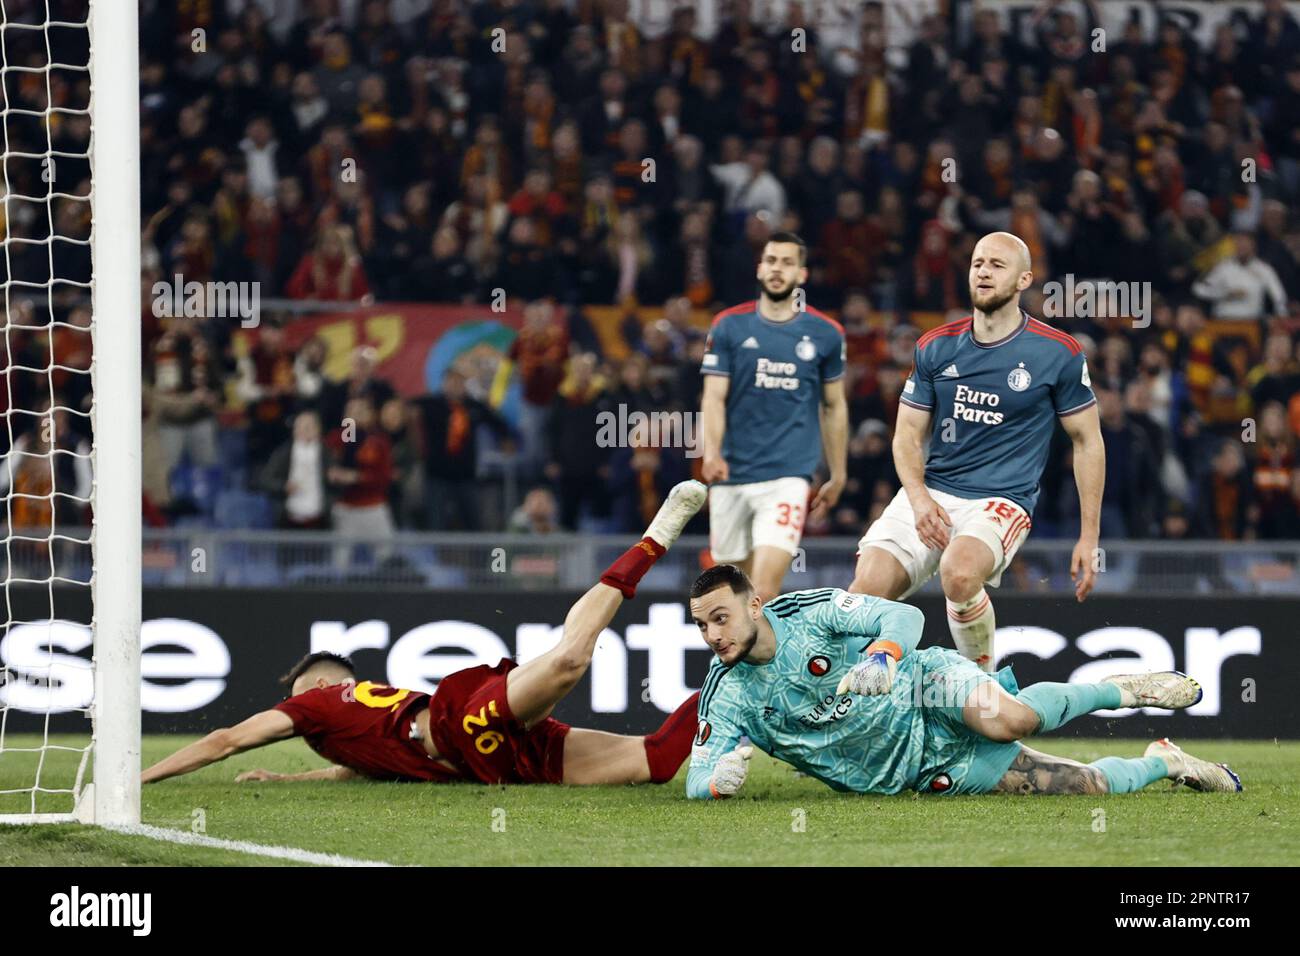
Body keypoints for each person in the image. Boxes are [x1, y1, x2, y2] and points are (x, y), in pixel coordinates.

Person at [141, 481, 709, 788]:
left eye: (292, 699)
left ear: (315, 686)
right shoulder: (355, 728)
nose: (289, 714)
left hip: (464, 728)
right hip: (504, 758)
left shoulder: (316, 705)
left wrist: (140, 777)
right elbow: (352, 768)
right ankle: (735, 681)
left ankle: (653, 540)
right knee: (656, 762)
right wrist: (286, 778)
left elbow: (224, 740)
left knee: (567, 661)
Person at [686, 566, 1241, 799]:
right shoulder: (725, 692)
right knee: (1087, 787)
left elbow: (902, 616)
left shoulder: (809, 611)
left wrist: (883, 655)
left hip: (926, 687)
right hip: (922, 768)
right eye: (703, 625)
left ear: (754, 605)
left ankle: (1122, 690)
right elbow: (699, 777)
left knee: (1010, 719)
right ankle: (1165, 761)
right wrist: (717, 783)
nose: (713, 635)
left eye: (721, 618)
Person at [850, 231, 1105, 671]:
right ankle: (869, 690)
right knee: (863, 594)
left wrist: (1089, 536)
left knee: (960, 573)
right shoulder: (935, 345)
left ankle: (982, 682)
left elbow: (1088, 442)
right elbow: (906, 435)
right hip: (932, 491)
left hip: (1001, 499)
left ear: (1024, 280)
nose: (984, 271)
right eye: (977, 263)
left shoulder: (1058, 352)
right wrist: (919, 499)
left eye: (997, 265)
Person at [700, 230, 848, 602]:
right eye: (771, 261)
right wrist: (711, 453)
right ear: (759, 268)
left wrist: (838, 472)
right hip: (732, 474)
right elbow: (714, 396)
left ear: (802, 274)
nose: (777, 269)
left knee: (762, 591)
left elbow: (834, 406)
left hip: (788, 475)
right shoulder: (728, 325)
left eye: (787, 262)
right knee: (731, 594)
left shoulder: (827, 334)